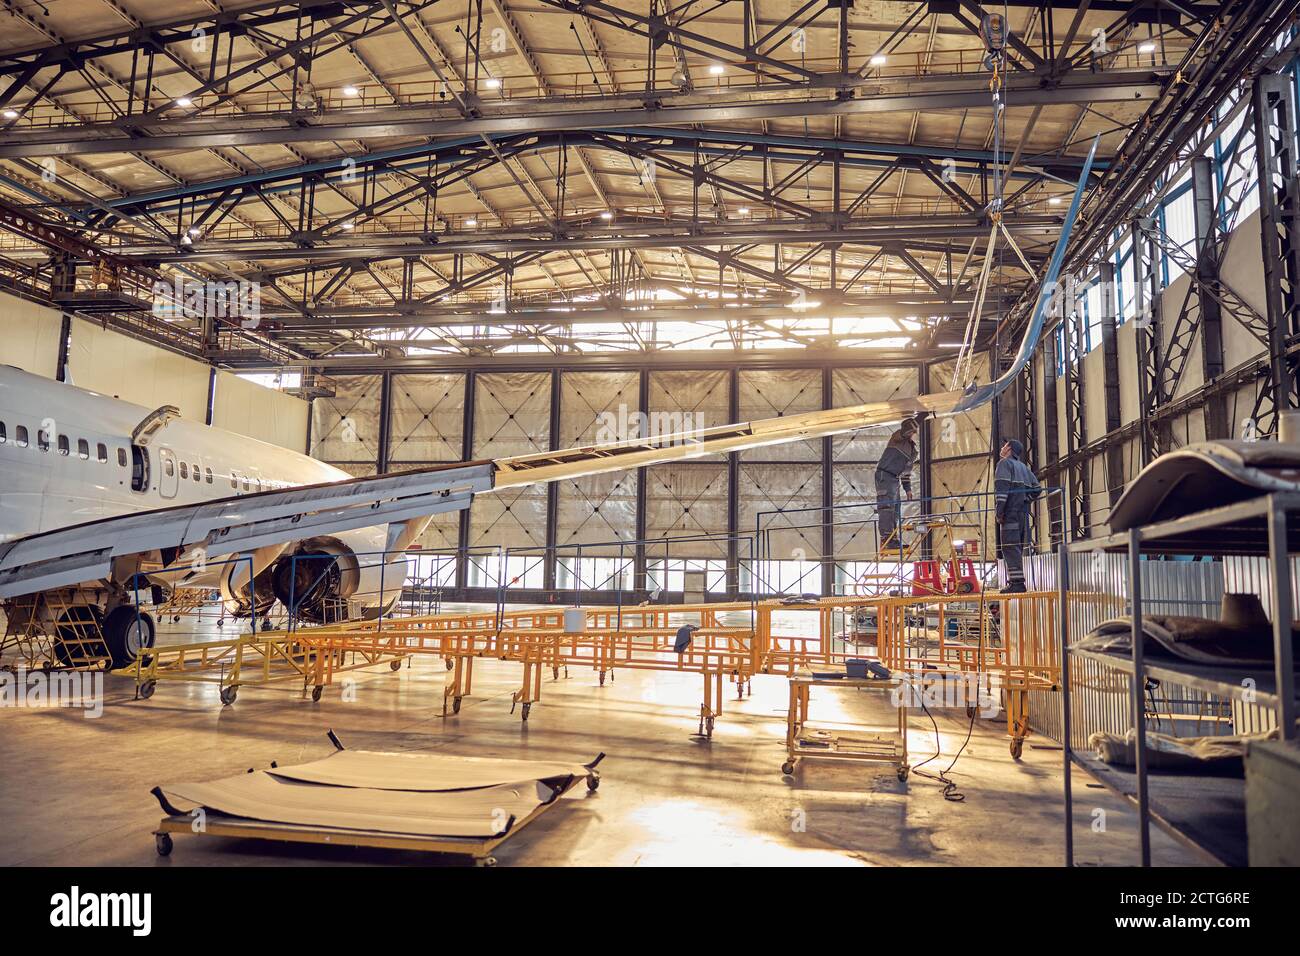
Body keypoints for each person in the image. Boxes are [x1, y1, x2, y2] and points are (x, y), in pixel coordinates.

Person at [994, 438, 1041, 593]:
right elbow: (1037, 489)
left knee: (1009, 547)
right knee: (1017, 547)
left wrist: (999, 512)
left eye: (1004, 445)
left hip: (1010, 514)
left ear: (1009, 449)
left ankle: (1017, 583)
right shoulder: (1024, 468)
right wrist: (1025, 500)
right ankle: (1017, 581)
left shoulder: (1004, 464)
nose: (1002, 447)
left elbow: (1002, 491)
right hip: (1023, 514)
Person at [874, 418, 918, 554]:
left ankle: (892, 539)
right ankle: (886, 539)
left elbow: (906, 472)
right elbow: (905, 431)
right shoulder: (897, 438)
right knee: (887, 507)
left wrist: (908, 489)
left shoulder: (912, 451)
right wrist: (922, 416)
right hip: (885, 475)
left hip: (895, 479)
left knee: (895, 509)